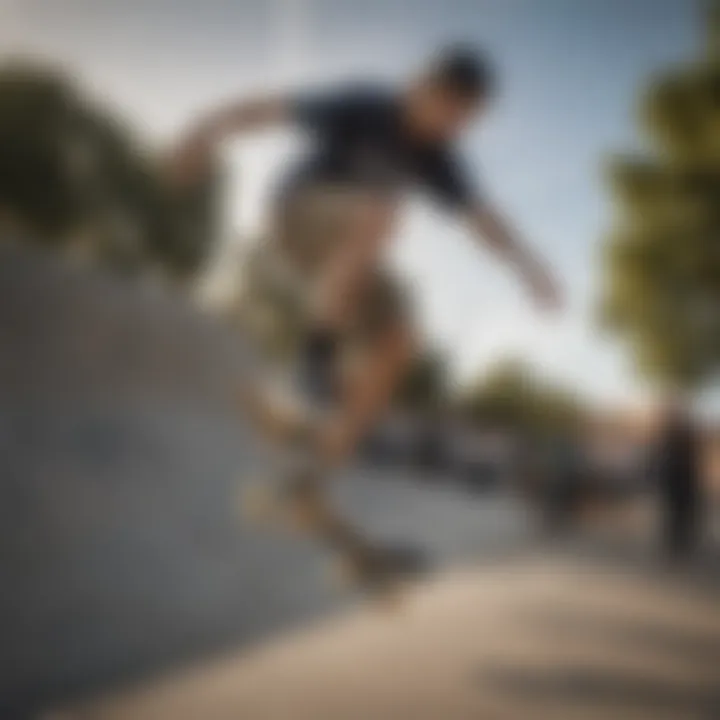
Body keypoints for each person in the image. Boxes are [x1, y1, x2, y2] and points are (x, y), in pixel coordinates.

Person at [167, 46, 563, 582]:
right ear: (423, 88)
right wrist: (201, 130)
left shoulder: (440, 157)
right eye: (450, 113)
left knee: (400, 341)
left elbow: (483, 217)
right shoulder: (363, 103)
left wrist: (529, 268)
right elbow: (265, 109)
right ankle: (312, 370)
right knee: (382, 208)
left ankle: (307, 482)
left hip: (352, 255)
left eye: (466, 123)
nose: (453, 131)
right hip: (298, 217)